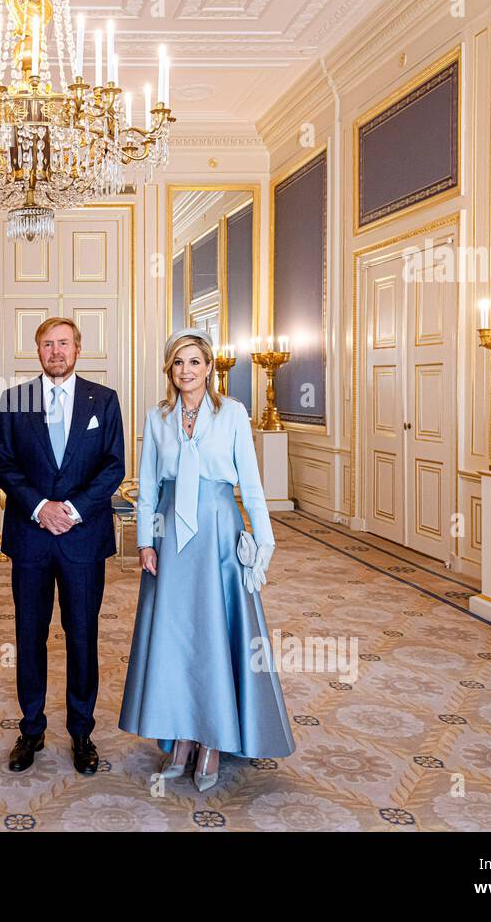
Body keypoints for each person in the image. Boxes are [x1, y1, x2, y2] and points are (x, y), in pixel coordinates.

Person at [119, 328, 295, 791]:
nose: (186, 371)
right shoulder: (158, 418)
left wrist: (264, 540)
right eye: (178, 363)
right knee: (174, 637)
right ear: (169, 370)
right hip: (172, 534)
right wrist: (145, 542)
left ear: (209, 367)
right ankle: (179, 736)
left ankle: (214, 739)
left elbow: (251, 484)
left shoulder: (232, 413)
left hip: (219, 530)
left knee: (216, 635)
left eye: (194, 362)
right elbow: (149, 486)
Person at [0, 317, 125, 775]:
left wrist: (70, 509)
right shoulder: (14, 400)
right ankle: (31, 729)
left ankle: (81, 731)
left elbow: (113, 468)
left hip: (83, 539)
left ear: (78, 348)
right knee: (29, 636)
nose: (56, 351)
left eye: (63, 343)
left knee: (82, 635)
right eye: (47, 344)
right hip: (31, 538)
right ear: (37, 350)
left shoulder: (104, 401)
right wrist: (38, 507)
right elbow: (5, 466)